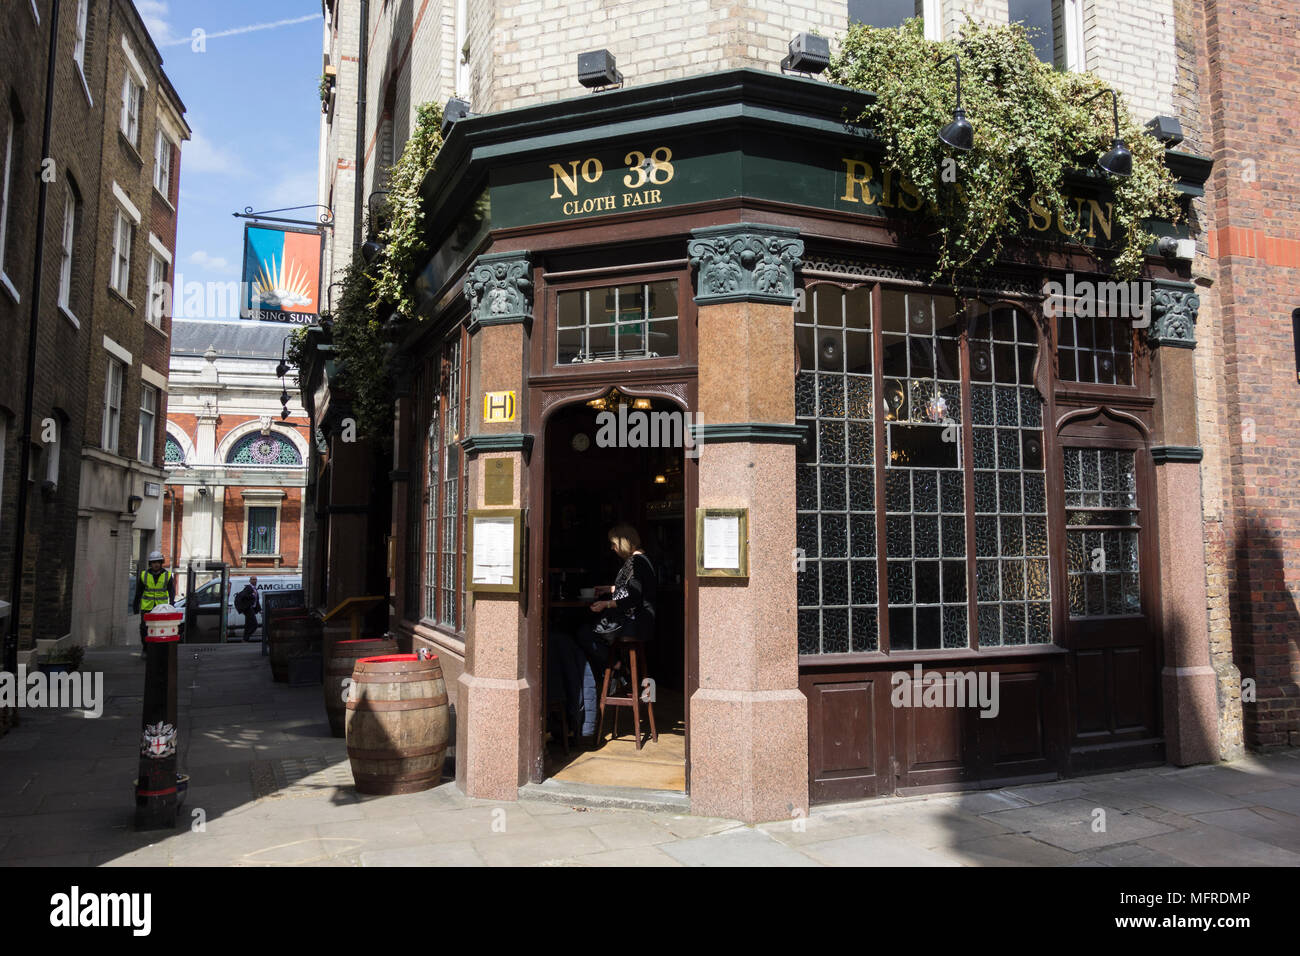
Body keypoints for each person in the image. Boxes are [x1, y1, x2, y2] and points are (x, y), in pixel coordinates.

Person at [573, 524, 657, 705]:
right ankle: (619, 670)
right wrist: (608, 589)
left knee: (584, 633)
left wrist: (606, 603)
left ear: (623, 542)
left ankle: (617, 667)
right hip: (641, 623)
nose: (612, 548)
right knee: (590, 628)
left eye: (613, 544)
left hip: (634, 624)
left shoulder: (635, 562)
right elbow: (631, 589)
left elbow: (633, 596)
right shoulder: (643, 560)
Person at [132, 551, 175, 653]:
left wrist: (172, 604)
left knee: (161, 629)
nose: (155, 564)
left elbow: (171, 591)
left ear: (161, 563)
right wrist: (135, 606)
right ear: (150, 564)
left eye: (158, 562)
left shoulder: (167, 575)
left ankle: (159, 649)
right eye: (153, 562)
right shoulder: (144, 575)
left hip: (161, 608)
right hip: (147, 607)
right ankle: (146, 648)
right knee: (144, 629)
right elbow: (139, 592)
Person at [234, 577, 261, 642]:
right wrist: (252, 595)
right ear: (250, 581)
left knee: (248, 625)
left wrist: (259, 609)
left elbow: (256, 601)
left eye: (255, 579)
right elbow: (244, 596)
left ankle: (245, 639)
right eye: (253, 579)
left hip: (252, 609)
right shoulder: (248, 587)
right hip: (248, 609)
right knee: (255, 625)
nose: (254, 581)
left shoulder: (254, 589)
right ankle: (246, 637)